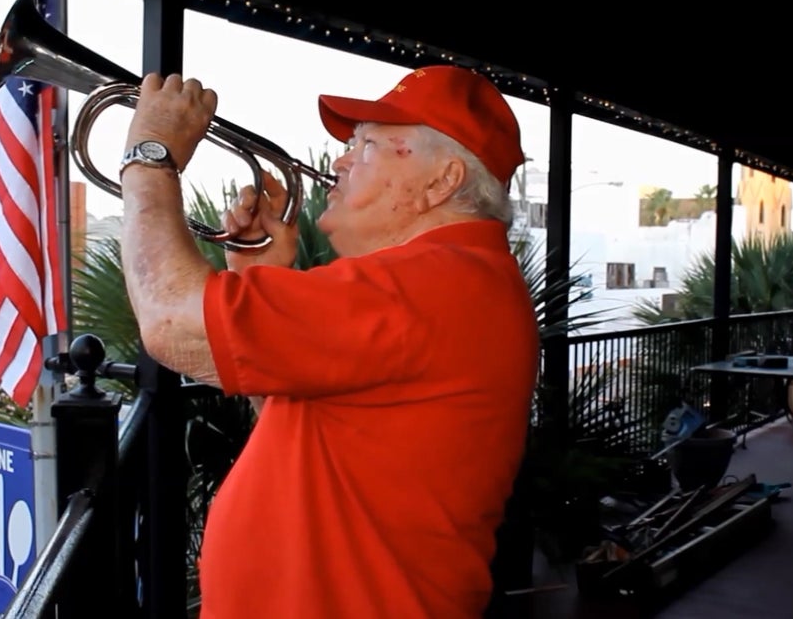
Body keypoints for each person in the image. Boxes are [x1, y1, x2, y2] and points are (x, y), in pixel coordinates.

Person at [119, 65, 541, 619]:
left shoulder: (432, 283)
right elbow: (294, 419)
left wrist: (149, 156)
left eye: (366, 146)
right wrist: (255, 274)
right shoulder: (456, 282)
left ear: (442, 182)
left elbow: (169, 322)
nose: (340, 161)